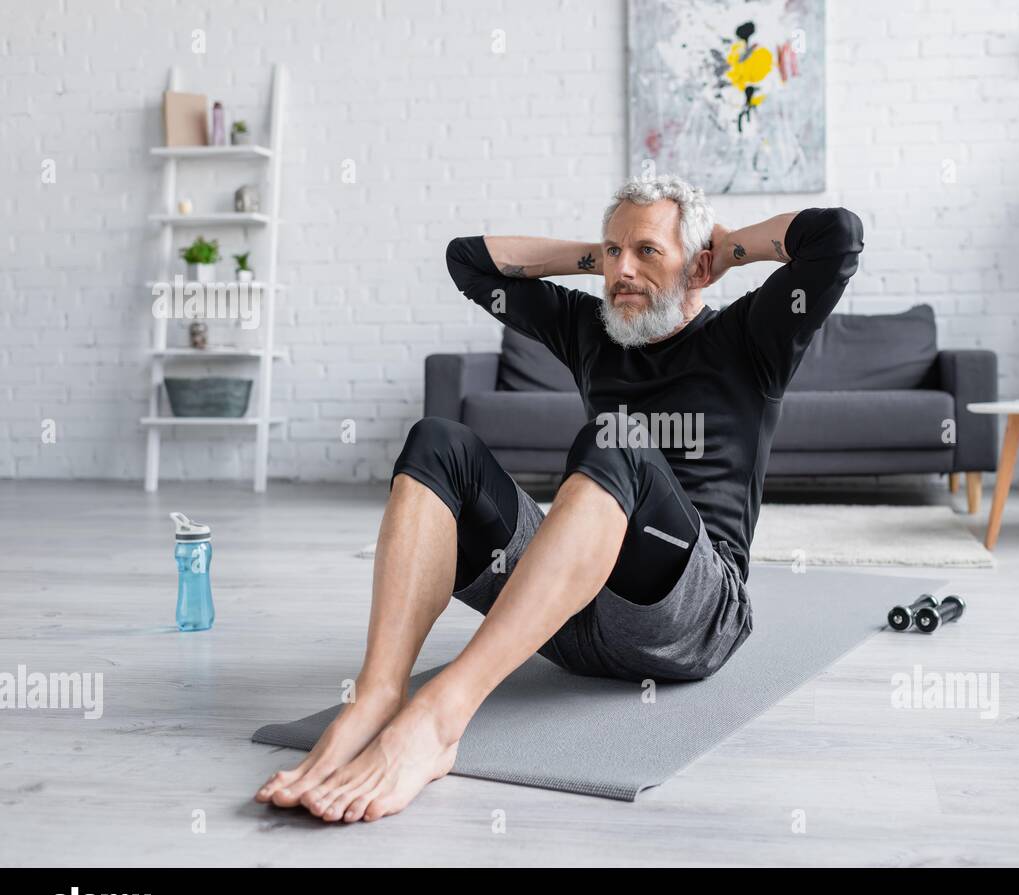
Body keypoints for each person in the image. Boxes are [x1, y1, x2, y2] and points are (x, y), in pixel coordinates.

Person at [255, 174, 863, 822]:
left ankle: (439, 717)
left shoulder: (751, 338)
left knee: (614, 440)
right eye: (611, 253)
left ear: (696, 261)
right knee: (438, 442)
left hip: (692, 619)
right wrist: (609, 252)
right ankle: (377, 694)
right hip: (575, 615)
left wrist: (727, 247)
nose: (621, 271)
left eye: (647, 252)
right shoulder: (591, 329)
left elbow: (837, 237)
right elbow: (468, 260)